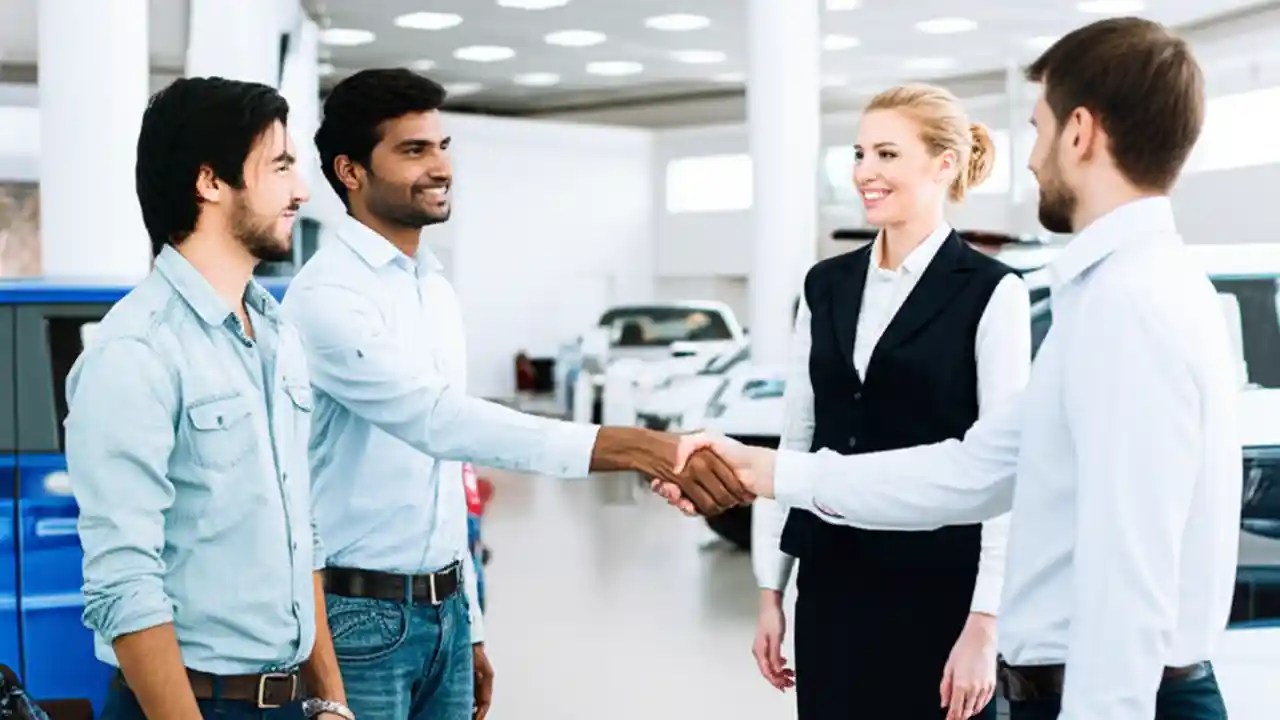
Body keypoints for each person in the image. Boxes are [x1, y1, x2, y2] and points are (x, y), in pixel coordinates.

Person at [661, 16, 1238, 720]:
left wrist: (985, 623)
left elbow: (1129, 582)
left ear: (1080, 132)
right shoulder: (1115, 294)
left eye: (1038, 128)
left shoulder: (1131, 305)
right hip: (1063, 683)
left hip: (1114, 695)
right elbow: (972, 470)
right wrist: (763, 470)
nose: (1028, 159)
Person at [283, 68, 749, 720]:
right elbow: (437, 421)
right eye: (414, 150)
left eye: (443, 146)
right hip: (361, 621)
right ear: (351, 171)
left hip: (443, 605)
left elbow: (443, 475)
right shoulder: (328, 296)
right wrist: (638, 447)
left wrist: (467, 622)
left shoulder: (432, 288)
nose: (441, 166)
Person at [64, 78, 350, 719]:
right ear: (210, 182)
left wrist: (331, 699)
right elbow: (124, 587)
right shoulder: (136, 351)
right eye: (279, 166)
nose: (302, 190)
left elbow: (297, 532)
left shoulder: (275, 333)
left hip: (287, 701)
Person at [749, 83, 1031, 720]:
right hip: (832, 585)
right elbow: (798, 438)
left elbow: (1006, 470)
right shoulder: (825, 284)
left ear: (944, 163)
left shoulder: (992, 292)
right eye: (858, 154)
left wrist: (985, 624)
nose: (864, 173)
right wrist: (773, 589)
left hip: (938, 590)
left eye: (886, 154)